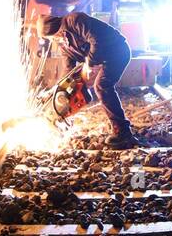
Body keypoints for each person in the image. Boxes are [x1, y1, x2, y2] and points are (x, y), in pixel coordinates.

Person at [37, 11, 139, 148]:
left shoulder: (74, 20)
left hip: (117, 51)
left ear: (53, 32)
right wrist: (58, 92)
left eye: (50, 38)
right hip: (104, 59)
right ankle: (66, 122)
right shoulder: (63, 45)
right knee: (73, 88)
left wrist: (89, 63)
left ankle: (123, 133)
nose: (51, 41)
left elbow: (96, 39)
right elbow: (68, 71)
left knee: (102, 86)